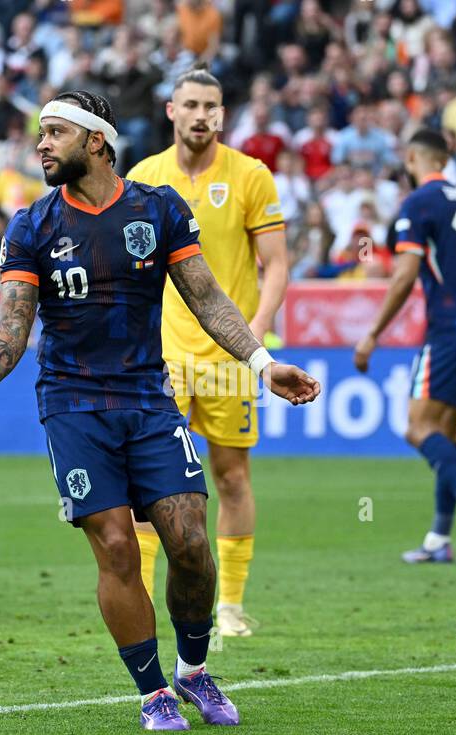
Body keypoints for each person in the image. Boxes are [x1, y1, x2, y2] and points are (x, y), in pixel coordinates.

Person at [0, 91, 319, 731]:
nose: (41, 145)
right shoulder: (31, 224)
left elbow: (208, 300)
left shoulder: (158, 209)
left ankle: (195, 672)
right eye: (41, 134)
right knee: (119, 547)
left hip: (150, 398)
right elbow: (13, 319)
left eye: (55, 133)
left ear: (95, 142)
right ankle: (154, 692)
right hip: (72, 404)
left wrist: (264, 364)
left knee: (189, 544)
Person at [125, 67, 290, 638]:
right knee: (146, 485)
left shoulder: (251, 176)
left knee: (232, 477)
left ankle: (232, 607)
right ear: (171, 110)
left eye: (211, 106)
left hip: (229, 358)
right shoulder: (145, 177)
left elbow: (277, 264)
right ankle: (140, 599)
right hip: (162, 356)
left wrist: (257, 337)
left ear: (222, 114)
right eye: (191, 104)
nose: (201, 115)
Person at [353, 129, 456, 567]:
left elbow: (404, 276)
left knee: (418, 428)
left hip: (450, 328)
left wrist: (372, 334)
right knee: (448, 433)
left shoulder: (419, 202)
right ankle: (440, 537)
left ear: (412, 157)